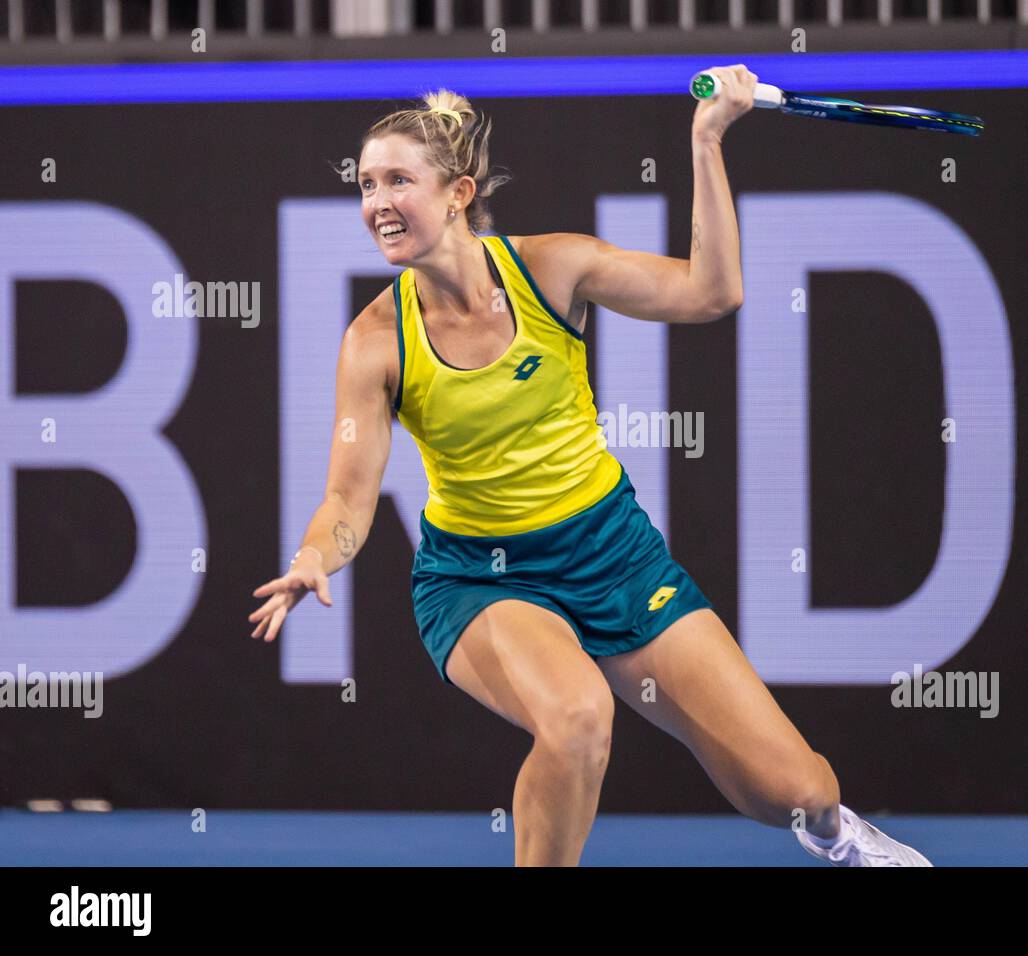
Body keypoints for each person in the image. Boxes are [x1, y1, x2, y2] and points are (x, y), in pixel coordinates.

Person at [249, 65, 931, 867]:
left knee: (795, 790)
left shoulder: (552, 268)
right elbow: (348, 498)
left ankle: (834, 834)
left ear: (459, 192)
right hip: (481, 577)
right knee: (576, 718)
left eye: (399, 180)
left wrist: (706, 142)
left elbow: (712, 293)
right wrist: (312, 555)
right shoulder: (375, 341)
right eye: (366, 185)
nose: (377, 203)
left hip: (613, 554)